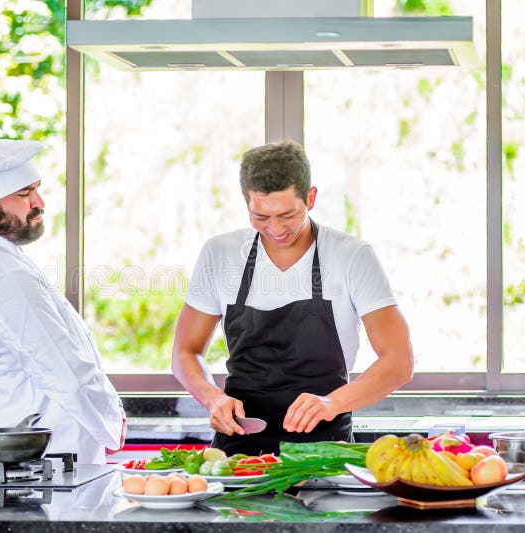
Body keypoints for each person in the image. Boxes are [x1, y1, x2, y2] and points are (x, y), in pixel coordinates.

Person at [172, 140, 414, 456]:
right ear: (246, 202)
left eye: (288, 214)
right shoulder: (220, 254)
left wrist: (331, 403)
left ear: (310, 198)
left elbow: (400, 360)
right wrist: (212, 397)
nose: (276, 229)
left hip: (324, 453)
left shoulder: (351, 256)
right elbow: (184, 352)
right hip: (238, 457)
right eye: (261, 216)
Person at [0, 139, 125, 464]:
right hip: (31, 463)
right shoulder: (3, 276)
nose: (39, 202)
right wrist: (111, 420)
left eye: (36, 190)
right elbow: (60, 364)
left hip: (27, 457)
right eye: (24, 194)